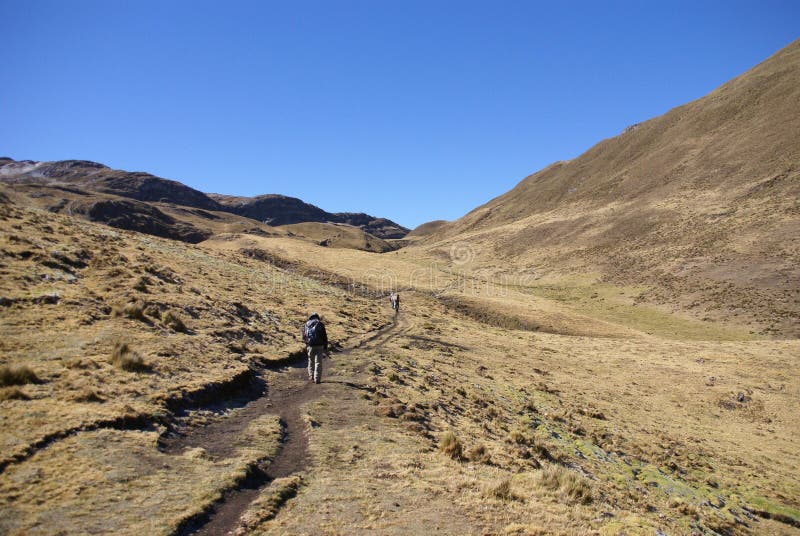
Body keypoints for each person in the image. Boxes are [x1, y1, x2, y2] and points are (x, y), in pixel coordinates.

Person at [302, 312, 328, 384]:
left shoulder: (306, 324)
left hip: (310, 345)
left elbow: (303, 336)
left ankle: (311, 376)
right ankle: (317, 379)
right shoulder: (320, 324)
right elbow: (324, 337)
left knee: (311, 360)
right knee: (318, 362)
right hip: (319, 346)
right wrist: (325, 347)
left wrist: (307, 343)